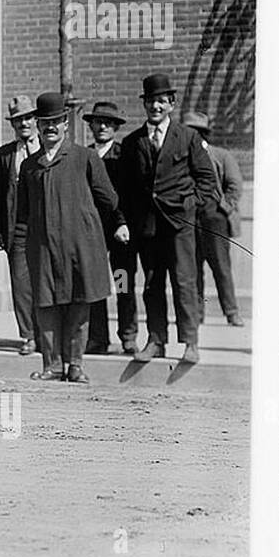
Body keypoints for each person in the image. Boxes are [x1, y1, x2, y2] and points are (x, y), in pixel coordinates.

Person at [15, 92, 128, 384]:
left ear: (65, 123)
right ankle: (52, 365)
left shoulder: (84, 157)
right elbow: (23, 213)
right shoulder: (30, 166)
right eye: (44, 123)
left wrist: (89, 223)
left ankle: (76, 365)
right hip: (43, 246)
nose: (50, 127)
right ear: (38, 127)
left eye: (56, 122)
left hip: (80, 246)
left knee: (80, 303)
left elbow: (110, 198)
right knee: (46, 305)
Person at [118, 73, 219, 364]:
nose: (156, 106)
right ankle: (156, 340)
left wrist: (190, 207)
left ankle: (190, 342)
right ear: (145, 104)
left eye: (162, 101)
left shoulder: (188, 137)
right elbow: (124, 189)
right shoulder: (133, 142)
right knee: (152, 284)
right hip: (147, 226)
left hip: (179, 225)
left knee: (184, 282)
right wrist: (127, 220)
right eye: (151, 101)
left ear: (171, 104)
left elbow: (207, 180)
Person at [84, 100, 139, 353]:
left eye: (108, 123)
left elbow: (128, 195)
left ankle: (128, 334)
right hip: (92, 231)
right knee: (95, 284)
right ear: (91, 125)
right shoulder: (84, 155)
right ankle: (97, 337)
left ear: (115, 127)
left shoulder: (124, 155)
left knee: (123, 282)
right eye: (98, 122)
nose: (103, 126)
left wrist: (122, 223)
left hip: (120, 231)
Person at [183, 111, 244, 327]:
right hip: (191, 218)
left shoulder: (221, 155)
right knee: (193, 269)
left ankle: (232, 312)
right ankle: (197, 314)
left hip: (215, 218)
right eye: (189, 132)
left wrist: (223, 208)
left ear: (204, 134)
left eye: (197, 132)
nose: (193, 137)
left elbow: (235, 185)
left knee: (221, 267)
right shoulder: (182, 158)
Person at [0, 95, 41, 356]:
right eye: (18, 119)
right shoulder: (5, 155)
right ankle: (29, 335)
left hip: (45, 228)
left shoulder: (48, 148)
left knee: (45, 282)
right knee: (21, 284)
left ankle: (48, 335)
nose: (24, 123)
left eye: (28, 118)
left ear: (36, 120)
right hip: (16, 228)